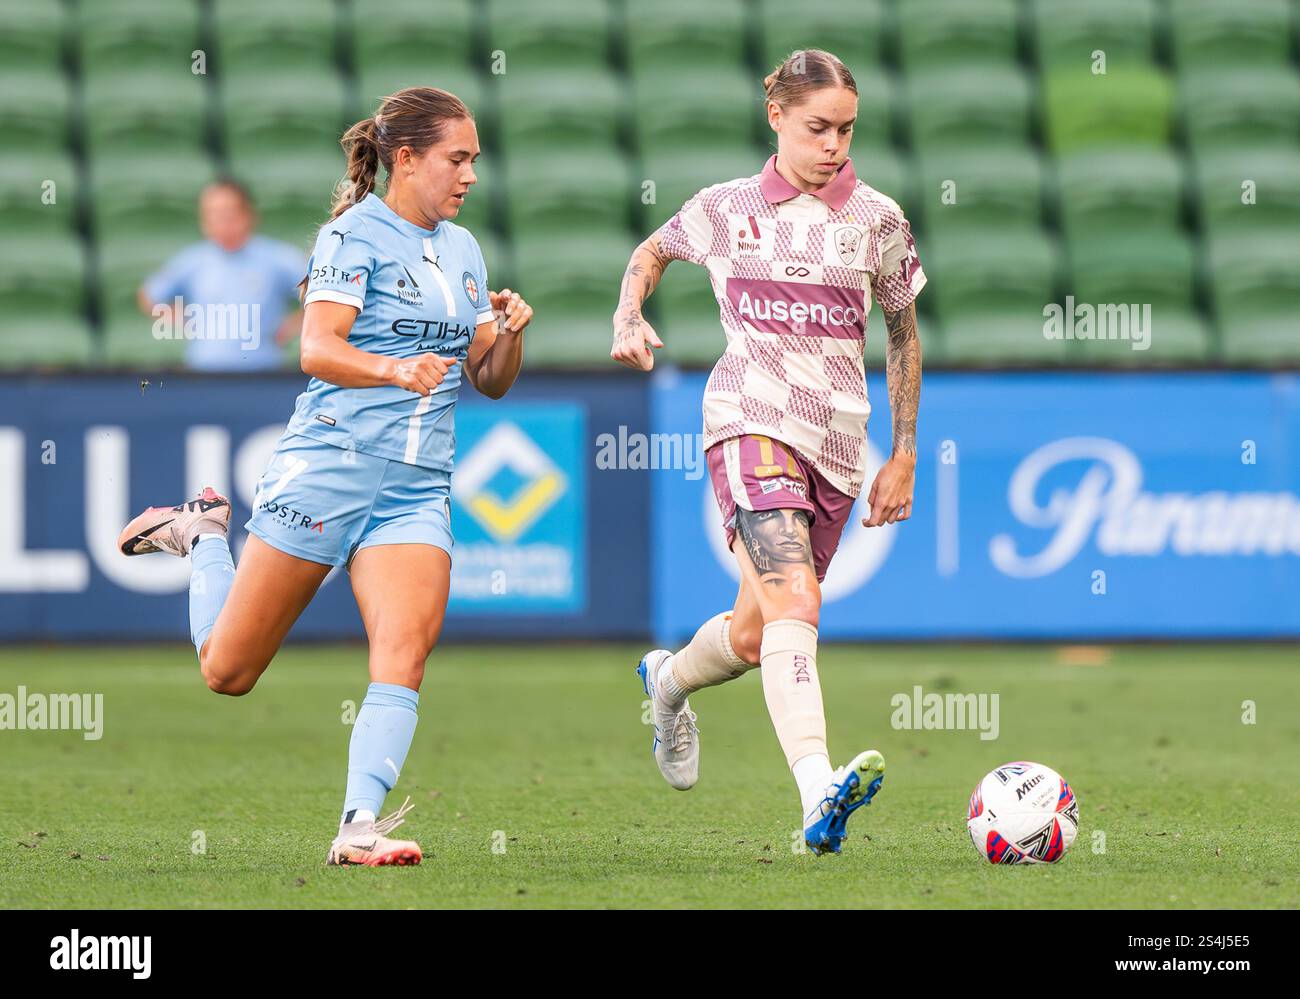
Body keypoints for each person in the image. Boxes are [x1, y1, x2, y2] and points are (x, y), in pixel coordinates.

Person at [117, 88, 534, 866]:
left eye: (474, 159)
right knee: (228, 671)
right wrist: (391, 367)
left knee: (403, 655)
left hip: (415, 488)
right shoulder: (353, 236)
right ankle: (203, 535)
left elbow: (489, 376)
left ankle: (357, 826)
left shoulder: (465, 249)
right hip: (327, 471)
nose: (471, 174)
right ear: (406, 159)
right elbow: (316, 348)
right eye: (458, 158)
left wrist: (507, 335)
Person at [611, 50, 926, 855]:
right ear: (776, 116)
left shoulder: (879, 219)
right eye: (818, 127)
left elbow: (902, 336)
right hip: (748, 421)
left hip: (839, 448)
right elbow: (651, 251)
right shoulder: (725, 207)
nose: (834, 145)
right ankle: (818, 790)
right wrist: (627, 311)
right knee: (797, 602)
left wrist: (905, 452)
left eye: (847, 129)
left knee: (757, 636)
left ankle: (669, 682)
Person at [138, 179, 306, 370]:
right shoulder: (192, 261)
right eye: (213, 214)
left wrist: (292, 326)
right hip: (203, 374)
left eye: (229, 212)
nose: (222, 221)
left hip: (262, 375)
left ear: (249, 215)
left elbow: (318, 294)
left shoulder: (278, 258)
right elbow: (149, 295)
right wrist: (186, 322)